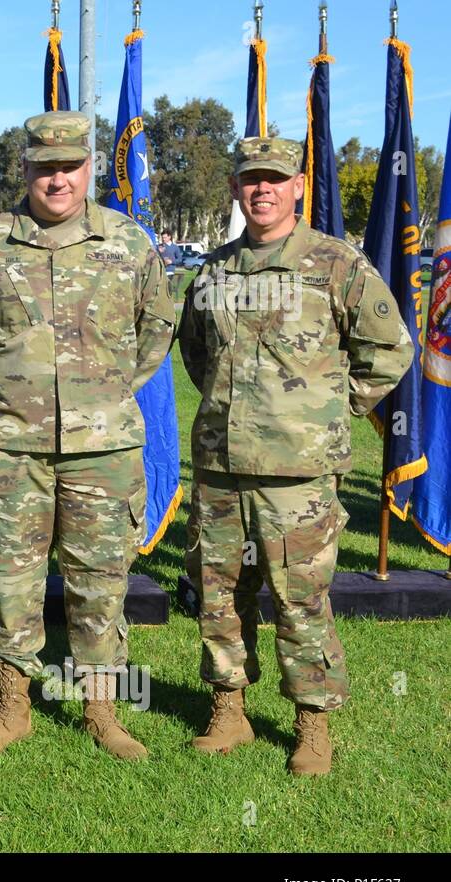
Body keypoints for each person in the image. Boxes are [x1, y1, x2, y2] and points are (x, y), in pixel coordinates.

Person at [0, 111, 175, 760]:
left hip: (103, 449)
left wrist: (103, 388)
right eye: (44, 167)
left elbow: (156, 330)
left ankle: (101, 712)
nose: (57, 178)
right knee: (12, 579)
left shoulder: (127, 243)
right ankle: (12, 706)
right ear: (24, 171)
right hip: (11, 449)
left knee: (100, 580)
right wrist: (10, 390)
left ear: (89, 168)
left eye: (69, 165)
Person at [179, 137, 412, 775]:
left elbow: (390, 347)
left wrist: (332, 411)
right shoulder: (215, 271)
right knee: (220, 593)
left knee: (300, 597)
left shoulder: (336, 264)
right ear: (234, 188)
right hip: (222, 465)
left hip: (298, 475)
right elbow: (196, 352)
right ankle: (229, 709)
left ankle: (312, 721)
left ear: (298, 185)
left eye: (275, 180)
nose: (263, 190)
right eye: (251, 180)